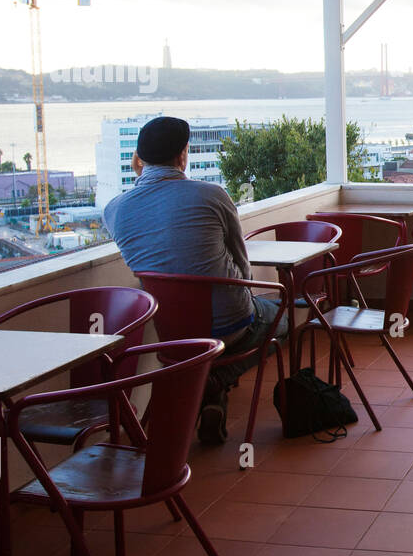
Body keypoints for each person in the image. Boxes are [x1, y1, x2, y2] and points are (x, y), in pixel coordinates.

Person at [103, 116, 288, 444]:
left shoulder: (115, 210)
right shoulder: (211, 195)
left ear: (138, 158)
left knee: (240, 323)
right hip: (231, 325)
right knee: (287, 319)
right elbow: (244, 271)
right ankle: (215, 380)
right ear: (183, 155)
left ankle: (209, 383)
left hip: (171, 332)